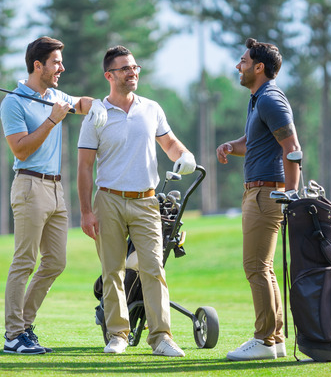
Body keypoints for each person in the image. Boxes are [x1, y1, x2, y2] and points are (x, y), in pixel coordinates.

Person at [77, 45, 197, 357]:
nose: (132, 73)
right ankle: (118, 335)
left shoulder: (151, 108)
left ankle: (161, 337)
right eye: (125, 69)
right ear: (109, 76)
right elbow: (85, 167)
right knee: (113, 270)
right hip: (109, 200)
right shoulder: (96, 116)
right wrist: (86, 211)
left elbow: (169, 143)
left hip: (146, 201)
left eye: (135, 67)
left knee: (154, 268)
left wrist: (184, 155)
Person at [0, 36, 107, 355]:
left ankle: (24, 325)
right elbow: (20, 149)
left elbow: (82, 103)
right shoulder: (13, 102)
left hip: (56, 189)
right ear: (38, 65)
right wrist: (51, 120)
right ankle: (13, 335)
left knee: (56, 262)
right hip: (29, 185)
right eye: (56, 62)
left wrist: (102, 105)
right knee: (24, 261)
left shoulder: (56, 96)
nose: (62, 67)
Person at [216, 38, 301, 361]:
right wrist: (231, 146)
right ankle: (274, 339)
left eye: (243, 61)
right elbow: (253, 142)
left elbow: (292, 147)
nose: (238, 66)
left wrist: (290, 192)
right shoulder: (258, 99)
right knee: (264, 268)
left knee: (255, 267)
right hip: (259, 191)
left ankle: (264, 340)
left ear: (259, 67)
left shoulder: (270, 99)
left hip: (267, 193)